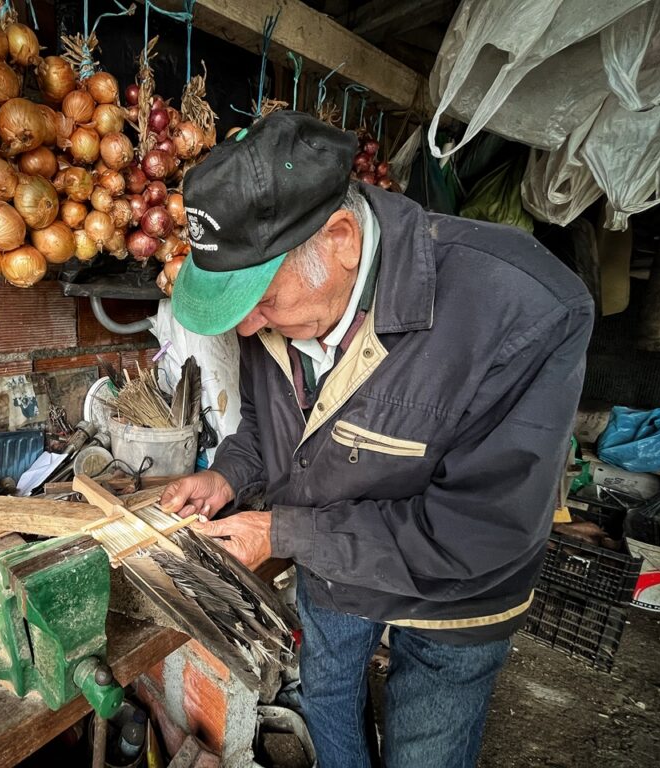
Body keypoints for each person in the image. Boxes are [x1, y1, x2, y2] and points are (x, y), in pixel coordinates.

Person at [161, 112, 594, 768]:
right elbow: (266, 429)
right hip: (333, 564)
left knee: (425, 740)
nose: (248, 328)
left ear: (339, 239)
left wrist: (285, 535)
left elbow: (473, 532)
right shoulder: (281, 312)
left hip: (457, 593)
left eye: (262, 301)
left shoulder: (525, 309)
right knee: (329, 693)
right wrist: (227, 474)